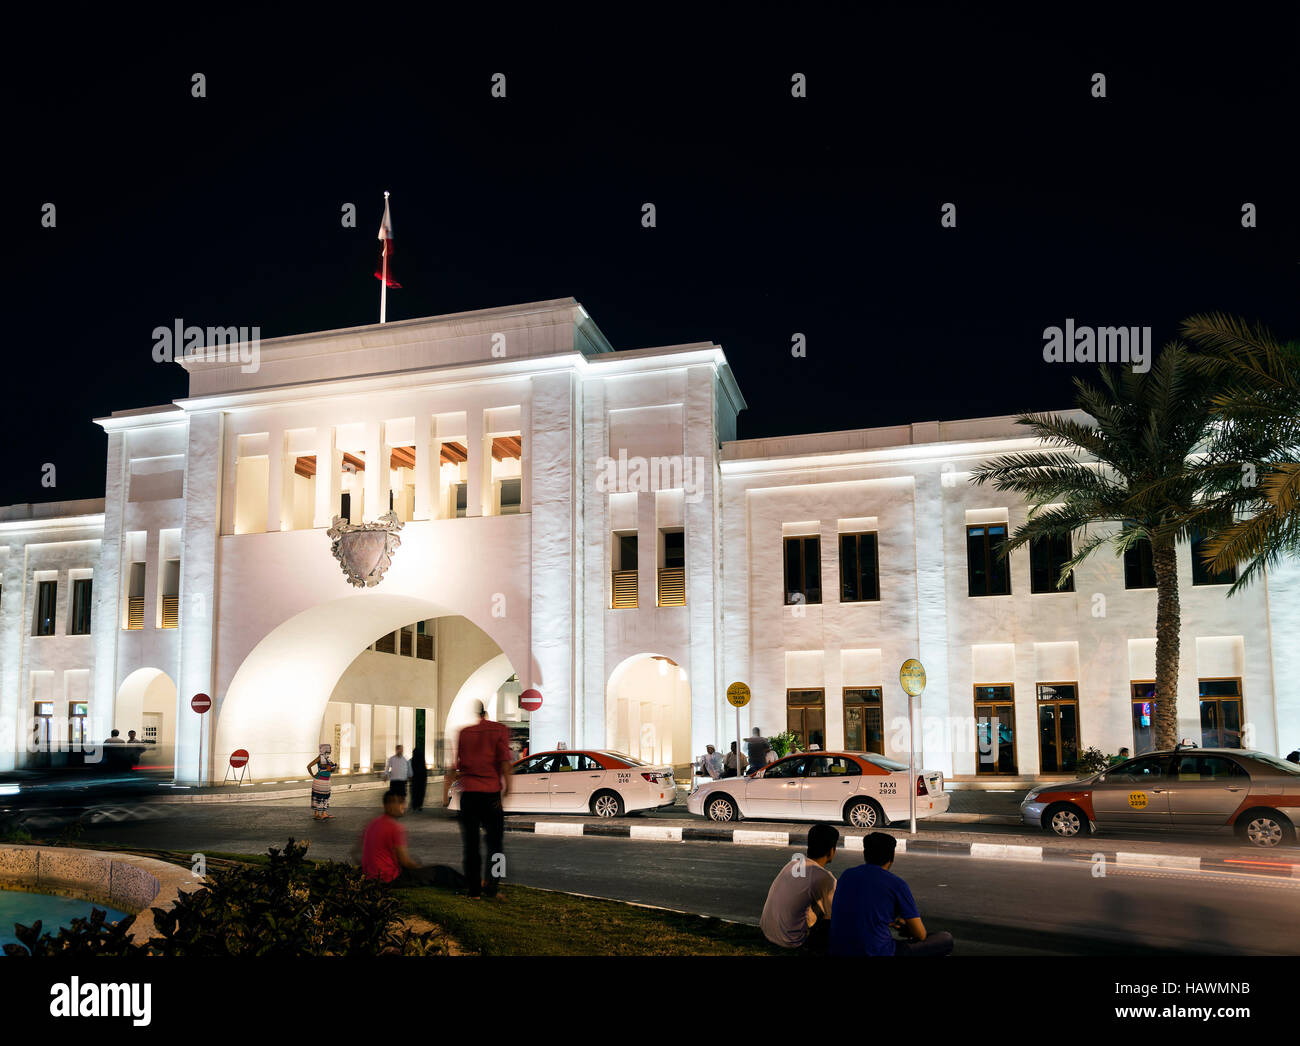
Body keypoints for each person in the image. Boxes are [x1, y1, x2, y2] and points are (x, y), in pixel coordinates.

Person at [830, 832, 953, 957]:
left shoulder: (847, 875)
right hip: (878, 952)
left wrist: (889, 921)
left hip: (838, 950)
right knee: (945, 939)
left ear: (865, 854)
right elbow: (920, 934)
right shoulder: (897, 884)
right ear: (892, 857)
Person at [442, 700, 513, 900]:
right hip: (491, 795)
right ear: (487, 713)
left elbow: (454, 767)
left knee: (471, 845)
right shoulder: (499, 730)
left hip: (469, 795)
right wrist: (507, 790)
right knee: (496, 845)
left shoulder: (464, 733)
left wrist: (445, 792)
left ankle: (474, 891)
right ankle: (493, 888)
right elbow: (505, 763)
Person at [760, 823, 839, 952]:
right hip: (791, 941)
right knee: (831, 917)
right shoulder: (824, 877)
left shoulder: (793, 864)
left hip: (767, 931)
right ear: (831, 850)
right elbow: (834, 915)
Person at [361, 790, 442, 886]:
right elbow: (405, 861)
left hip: (371, 876)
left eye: (403, 801)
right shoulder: (395, 827)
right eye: (399, 802)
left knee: (415, 861)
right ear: (388, 806)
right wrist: (419, 869)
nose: (403, 805)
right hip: (388, 878)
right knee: (440, 871)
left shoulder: (373, 823)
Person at [307, 743, 338, 820]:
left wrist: (333, 768)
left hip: (326, 781)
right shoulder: (319, 758)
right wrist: (313, 775)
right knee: (318, 796)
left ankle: (324, 813)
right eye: (328, 749)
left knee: (326, 796)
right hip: (319, 781)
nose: (330, 750)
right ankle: (316, 813)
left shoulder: (328, 759)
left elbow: (332, 770)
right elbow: (309, 766)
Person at [409, 745, 428, 811]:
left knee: (414, 793)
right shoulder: (422, 761)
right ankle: (419, 805)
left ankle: (415, 805)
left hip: (415, 780)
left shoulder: (412, 760)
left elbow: (410, 770)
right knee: (421, 793)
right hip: (422, 780)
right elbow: (424, 771)